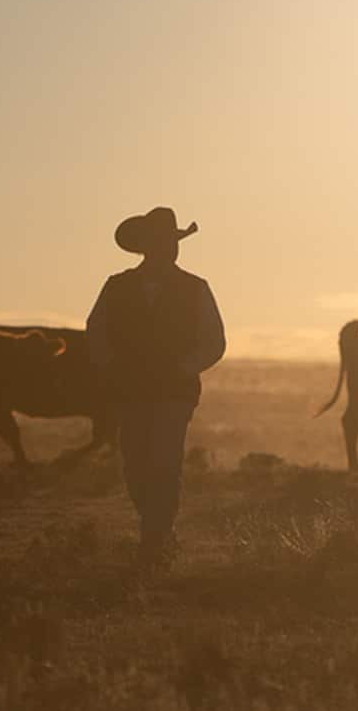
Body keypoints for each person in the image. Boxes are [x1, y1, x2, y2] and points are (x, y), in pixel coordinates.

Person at [85, 207, 226, 571]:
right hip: (130, 391)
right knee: (135, 463)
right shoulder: (117, 286)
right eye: (164, 242)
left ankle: (155, 539)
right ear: (147, 246)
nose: (171, 249)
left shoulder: (195, 287)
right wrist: (112, 368)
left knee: (163, 462)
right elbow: (95, 331)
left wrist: (182, 369)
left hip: (172, 393)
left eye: (173, 242)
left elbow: (213, 341)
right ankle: (159, 531)